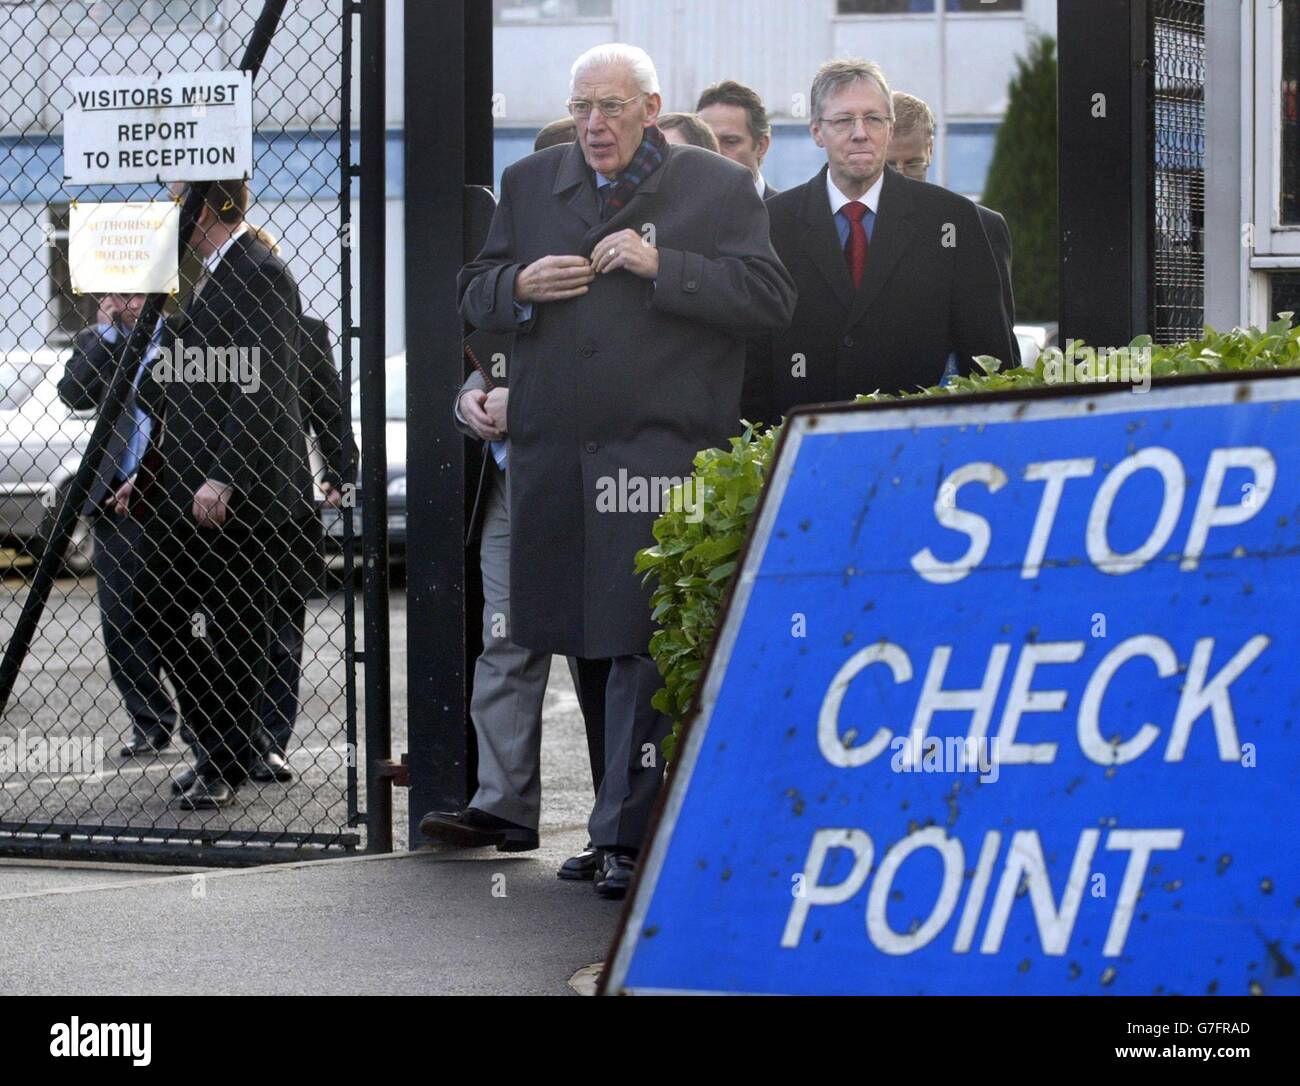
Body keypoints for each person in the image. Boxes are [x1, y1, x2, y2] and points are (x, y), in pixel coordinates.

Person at [446, 42, 796, 898]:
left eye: (610, 107)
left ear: (650, 105)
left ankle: (626, 837)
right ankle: (616, 821)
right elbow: (474, 291)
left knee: (641, 644)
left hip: (659, 455)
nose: (593, 125)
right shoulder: (530, 185)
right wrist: (519, 283)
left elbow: (769, 299)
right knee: (584, 639)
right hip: (556, 458)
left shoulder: (714, 186)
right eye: (581, 108)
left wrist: (661, 266)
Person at [124, 179, 312, 810]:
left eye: (176, 197)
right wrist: (148, 469)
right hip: (191, 488)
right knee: (156, 607)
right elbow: (183, 389)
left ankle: (223, 760)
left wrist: (224, 474)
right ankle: (218, 747)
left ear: (200, 208)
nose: (165, 208)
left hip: (240, 495)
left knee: (235, 627)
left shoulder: (258, 271)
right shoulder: (206, 274)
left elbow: (262, 384)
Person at [744, 59, 1016, 423]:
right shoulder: (773, 224)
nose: (860, 133)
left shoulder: (952, 221)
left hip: (918, 452)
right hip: (802, 456)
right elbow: (752, 368)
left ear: (889, 129)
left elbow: (990, 365)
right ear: (816, 131)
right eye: (843, 120)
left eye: (873, 119)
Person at [57, 293, 180, 758]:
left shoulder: (184, 336)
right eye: (115, 292)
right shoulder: (99, 339)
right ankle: (150, 720)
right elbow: (74, 394)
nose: (124, 301)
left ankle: (214, 724)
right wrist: (108, 332)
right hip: (115, 501)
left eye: (132, 291)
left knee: (187, 618)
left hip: (172, 495)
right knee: (121, 618)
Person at [888, 90, 1016, 334]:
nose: (902, 176)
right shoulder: (850, 226)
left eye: (913, 164)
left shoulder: (985, 227)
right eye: (890, 165)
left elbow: (998, 339)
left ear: (931, 150)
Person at [696, 79, 778, 200]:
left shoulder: (790, 216)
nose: (715, 151)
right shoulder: (678, 214)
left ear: (761, 145)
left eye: (730, 142)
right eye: (706, 140)